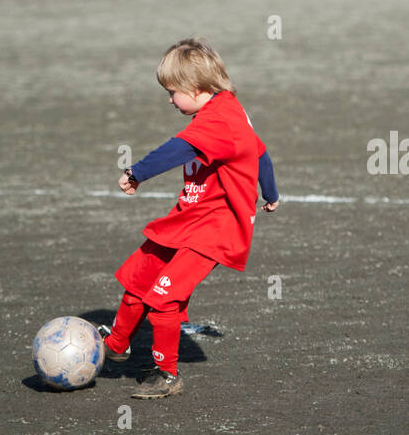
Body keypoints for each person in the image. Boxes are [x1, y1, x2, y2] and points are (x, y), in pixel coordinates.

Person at [99, 37, 278, 399]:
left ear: (196, 88)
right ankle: (117, 344)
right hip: (189, 218)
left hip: (216, 228)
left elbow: (178, 149)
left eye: (172, 91)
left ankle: (167, 375)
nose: (169, 99)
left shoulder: (220, 119)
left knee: (164, 298)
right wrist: (271, 193)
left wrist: (136, 173)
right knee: (140, 277)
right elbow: (261, 154)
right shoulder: (226, 110)